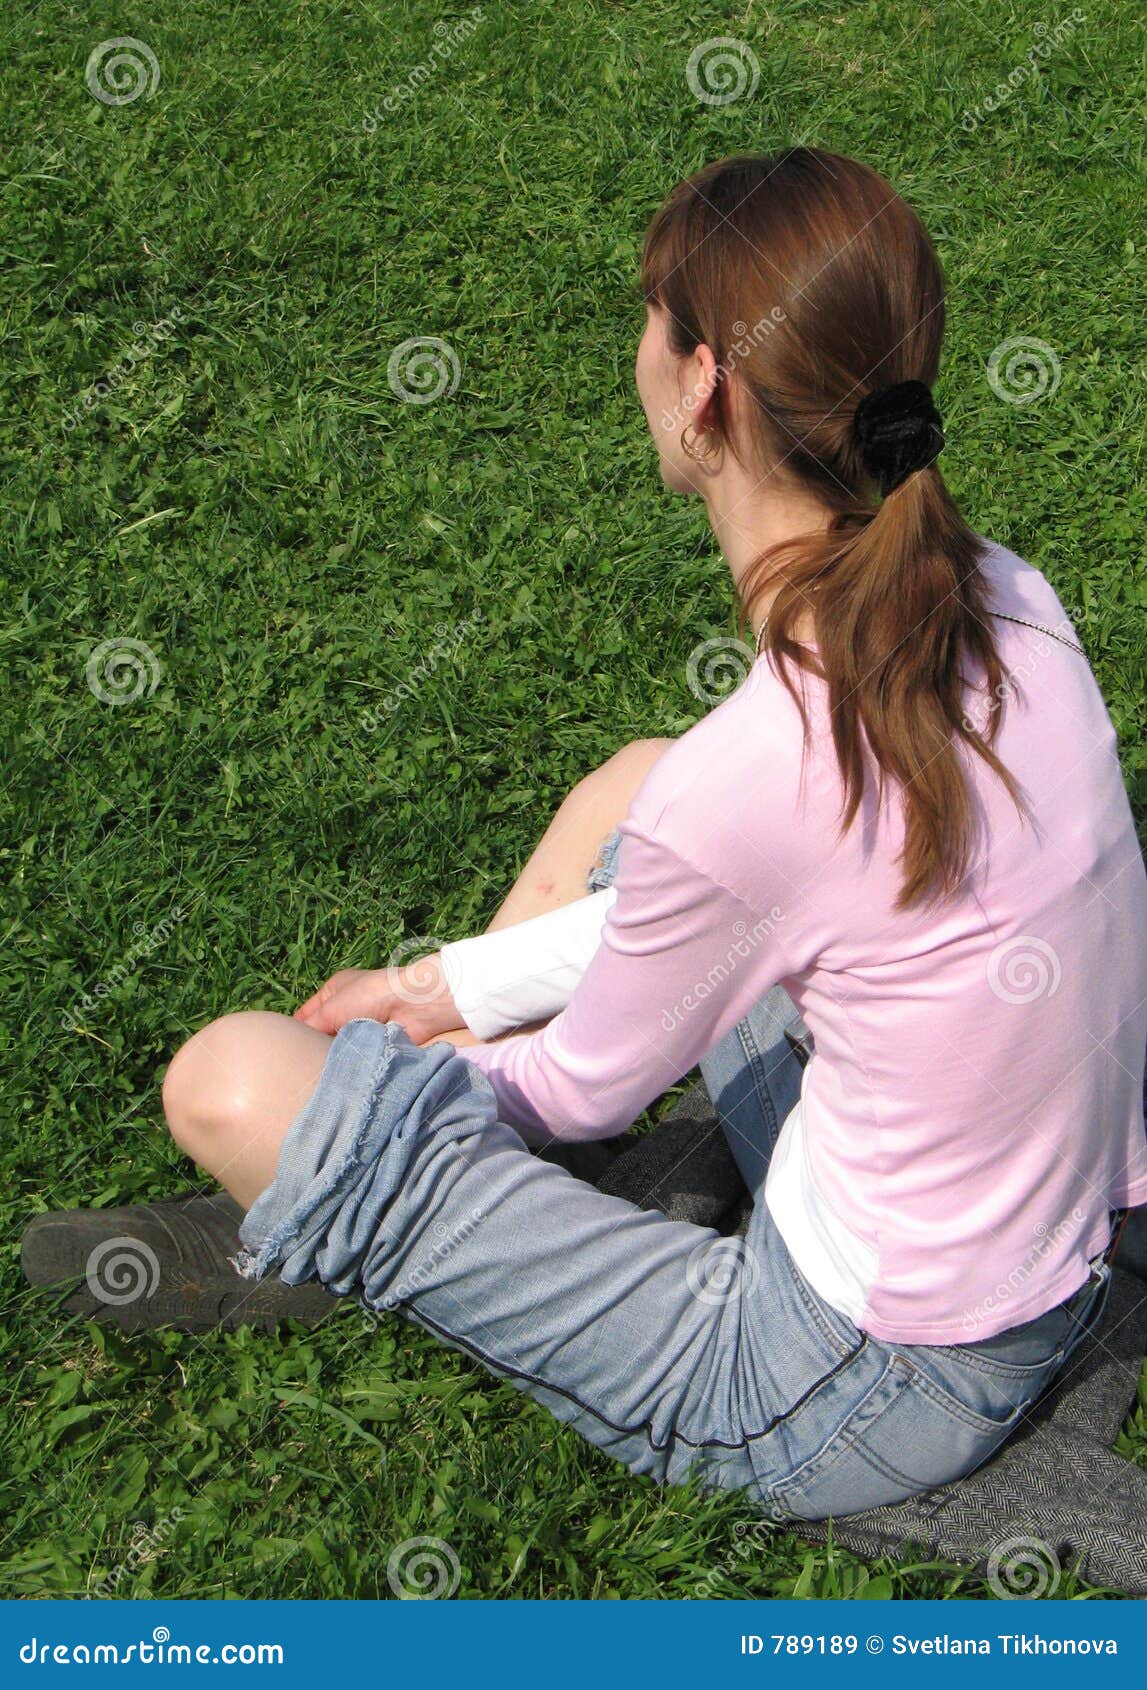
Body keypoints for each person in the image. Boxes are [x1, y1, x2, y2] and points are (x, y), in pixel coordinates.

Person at [24, 148, 1147, 1521]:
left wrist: (379, 1080)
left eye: (650, 322)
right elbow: (768, 884)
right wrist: (442, 989)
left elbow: (585, 1093)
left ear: (704, 385)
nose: (638, 354)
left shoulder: (761, 771)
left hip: (842, 1381)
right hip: (1021, 1253)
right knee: (633, 781)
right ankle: (376, 1192)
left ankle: (351, 1215)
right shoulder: (1009, 596)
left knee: (232, 1079)